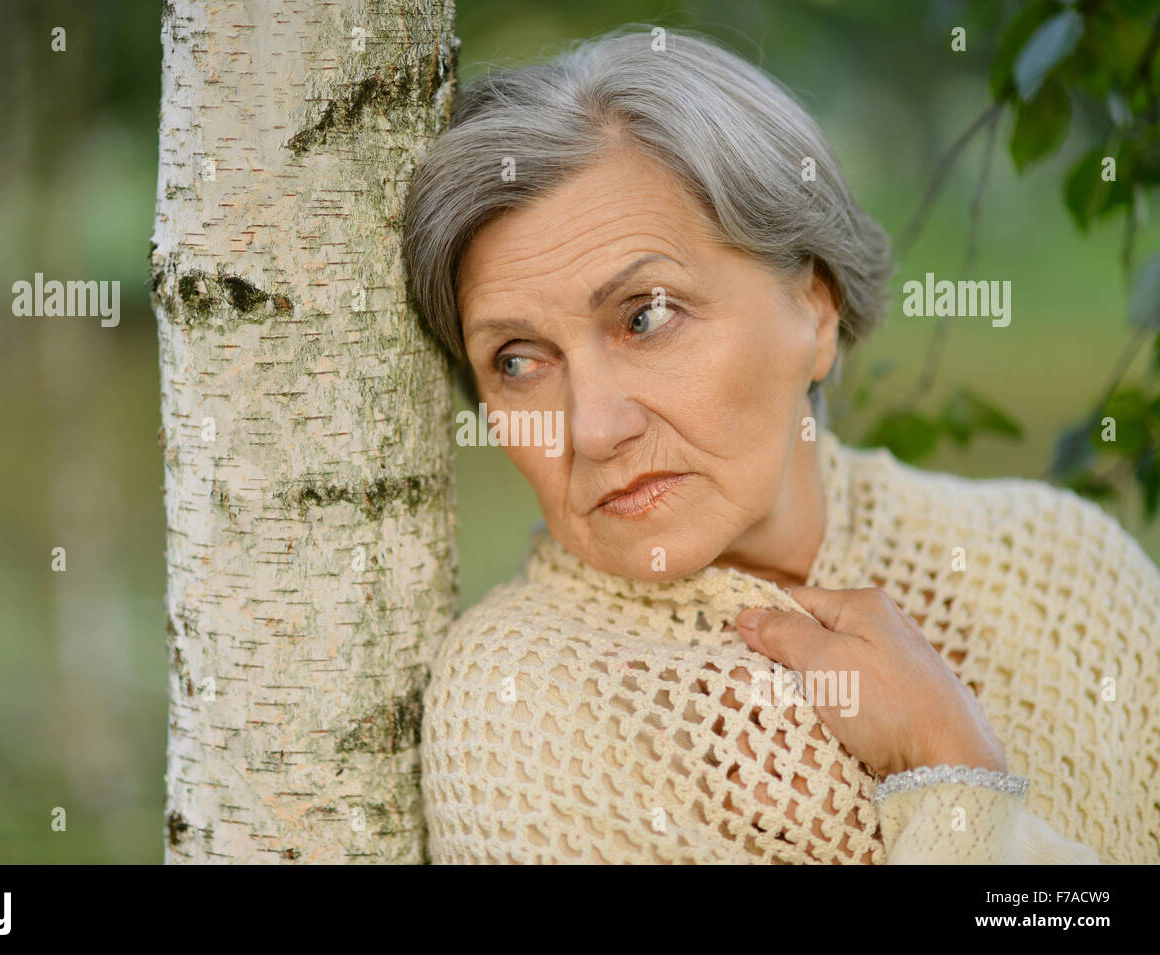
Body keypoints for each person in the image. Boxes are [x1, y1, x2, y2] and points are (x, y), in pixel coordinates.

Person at [401, 25, 1159, 863]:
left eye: (646, 316)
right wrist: (948, 777)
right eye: (517, 361)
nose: (591, 426)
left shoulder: (1066, 571)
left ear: (815, 307)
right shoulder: (521, 707)